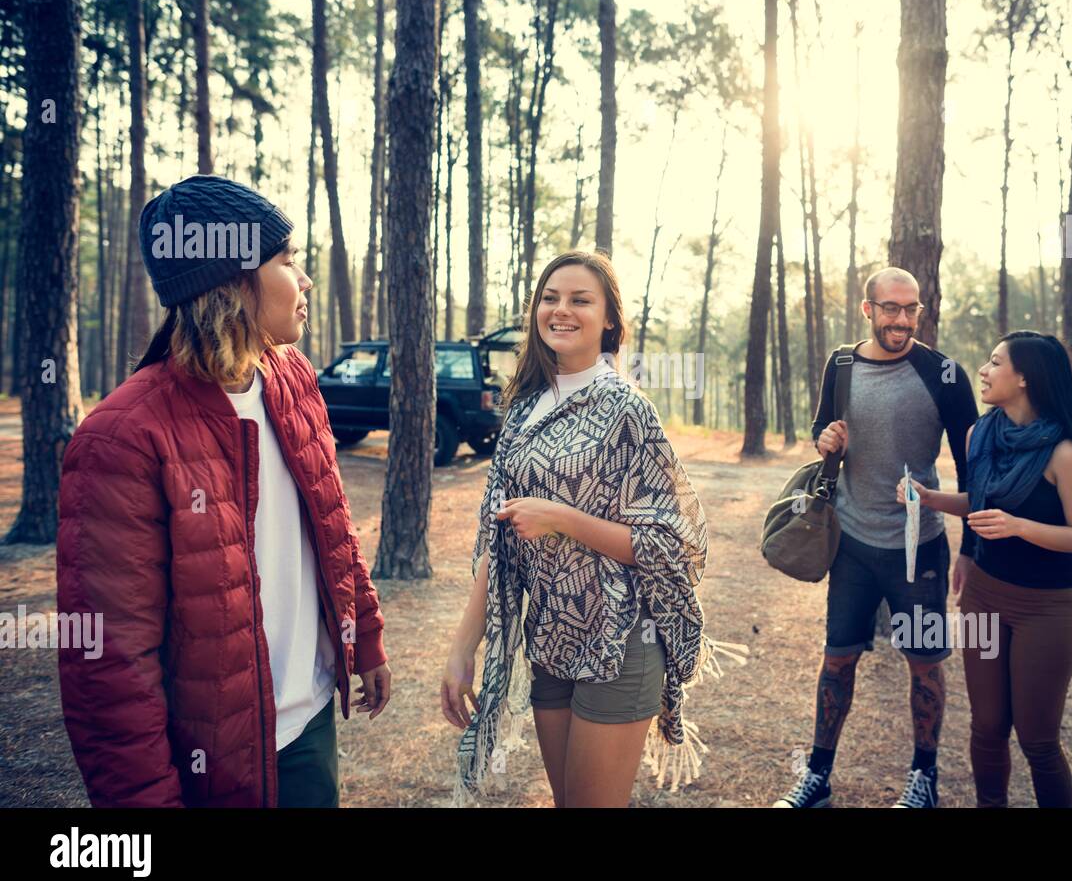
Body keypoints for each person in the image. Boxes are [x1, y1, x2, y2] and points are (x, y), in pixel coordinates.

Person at [56, 175, 391, 807]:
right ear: (233, 281)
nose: (306, 280)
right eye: (288, 260)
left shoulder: (291, 377)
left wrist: (363, 636)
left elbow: (332, 520)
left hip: (310, 722)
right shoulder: (122, 438)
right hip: (211, 767)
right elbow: (108, 667)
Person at [441, 249, 745, 807]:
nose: (561, 310)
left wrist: (561, 519)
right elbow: (498, 540)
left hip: (620, 641)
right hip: (552, 638)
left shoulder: (626, 410)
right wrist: (464, 646)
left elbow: (674, 544)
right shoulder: (525, 407)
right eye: (550, 298)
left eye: (581, 300)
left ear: (609, 319)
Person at [775, 267, 978, 809]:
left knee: (924, 663)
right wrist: (827, 442)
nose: (902, 320)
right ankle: (817, 776)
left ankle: (924, 779)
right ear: (868, 310)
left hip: (920, 548)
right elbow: (824, 435)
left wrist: (974, 550)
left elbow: (974, 468)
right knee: (838, 658)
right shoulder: (841, 364)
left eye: (911, 309)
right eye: (891, 308)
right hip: (853, 545)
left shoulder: (945, 374)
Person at [897, 330, 1072, 807]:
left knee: (1037, 738)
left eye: (994, 363)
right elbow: (981, 503)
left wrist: (1018, 526)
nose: (983, 372)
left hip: (1046, 608)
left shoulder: (1068, 455)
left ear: (1025, 378)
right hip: (984, 596)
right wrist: (931, 499)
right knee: (987, 727)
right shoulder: (981, 433)